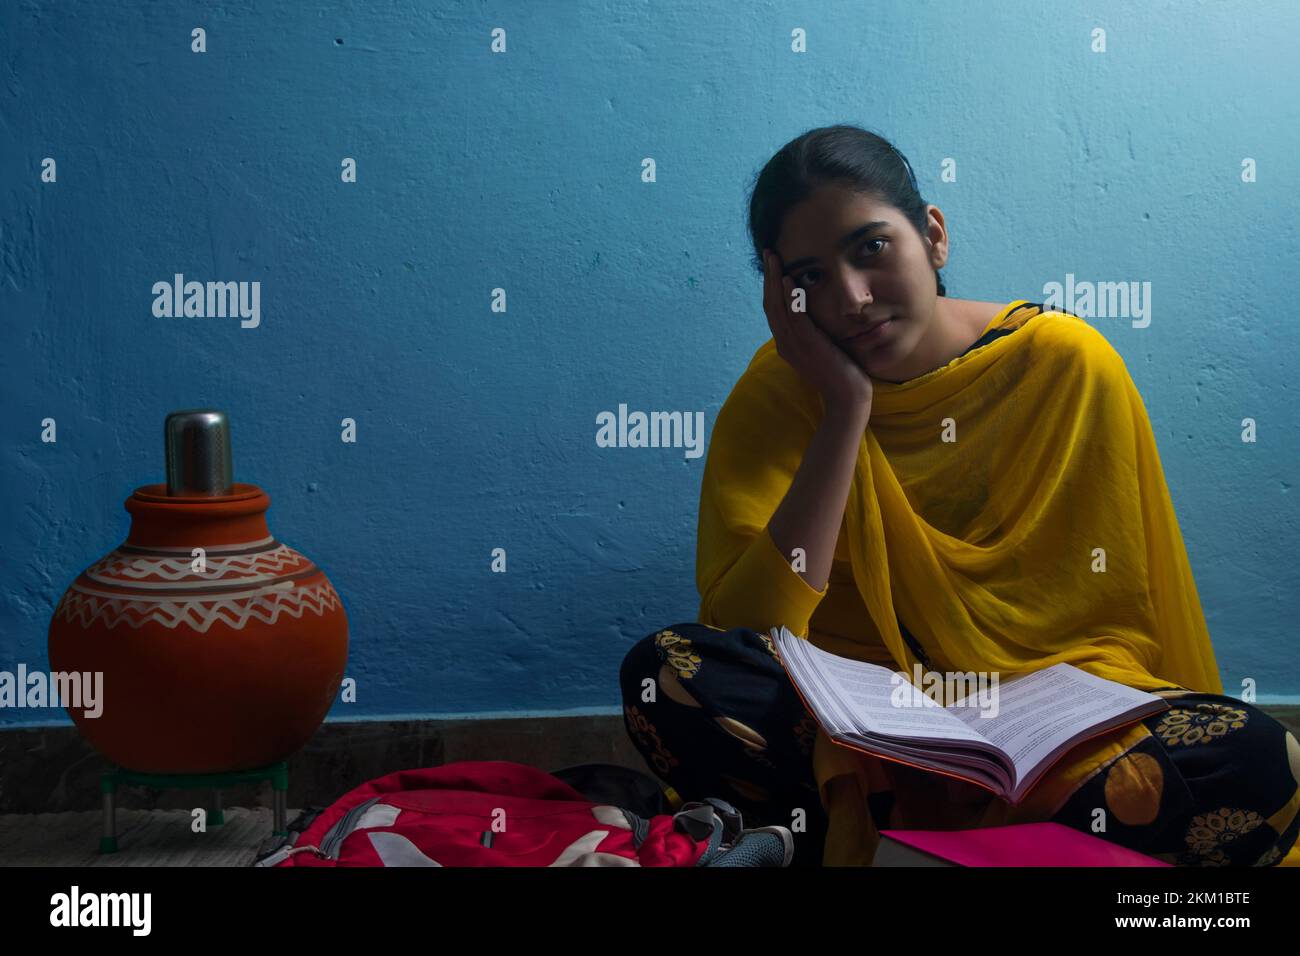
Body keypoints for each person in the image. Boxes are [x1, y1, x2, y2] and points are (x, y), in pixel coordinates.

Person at [620, 124, 1300, 867]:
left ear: (933, 235)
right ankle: (989, 852)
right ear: (782, 296)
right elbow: (751, 629)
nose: (851, 298)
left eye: (871, 248)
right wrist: (845, 411)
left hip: (1058, 736)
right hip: (863, 739)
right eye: (810, 276)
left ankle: (896, 850)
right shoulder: (783, 392)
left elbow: (1117, 622)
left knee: (1263, 759)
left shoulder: (1063, 364)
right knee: (669, 672)